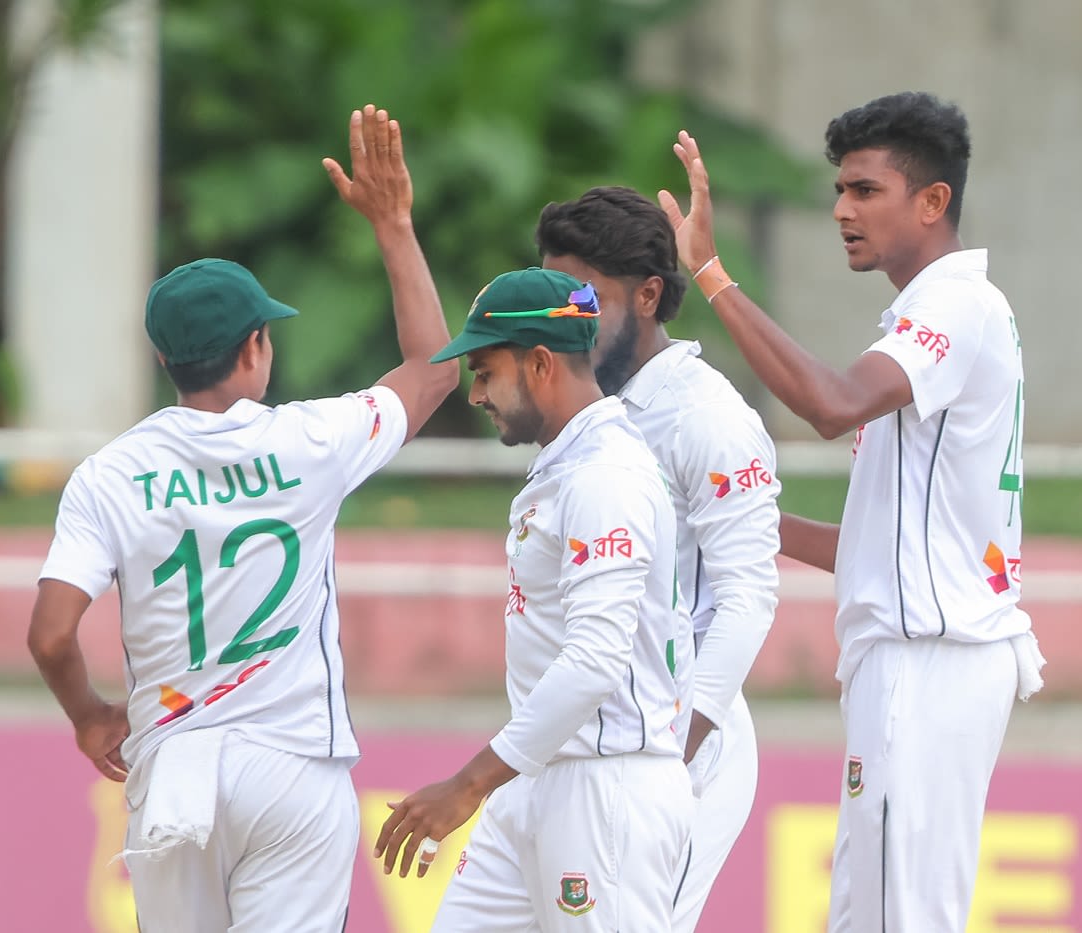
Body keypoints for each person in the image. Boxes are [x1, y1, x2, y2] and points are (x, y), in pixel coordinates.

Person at [25, 105, 457, 933]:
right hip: (295, 767)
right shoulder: (312, 441)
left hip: (175, 768)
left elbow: (49, 635)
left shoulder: (108, 474)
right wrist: (394, 224)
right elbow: (431, 370)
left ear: (165, 360)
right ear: (256, 346)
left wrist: (89, 715)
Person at [658, 91, 1046, 931]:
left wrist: (710, 272)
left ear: (932, 201)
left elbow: (832, 405)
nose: (842, 209)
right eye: (840, 190)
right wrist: (734, 518)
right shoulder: (932, 311)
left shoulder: (953, 303)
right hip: (919, 663)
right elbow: (887, 542)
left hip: (930, 664)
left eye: (866, 190)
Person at [373, 267, 695, 932]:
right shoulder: (570, 466)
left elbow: (594, 660)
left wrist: (467, 783)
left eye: (486, 370)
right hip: (538, 777)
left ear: (541, 363)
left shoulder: (605, 475)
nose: (476, 392)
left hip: (606, 788)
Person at [535, 186, 780, 932]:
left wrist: (670, 750)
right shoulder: (577, 408)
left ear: (647, 294)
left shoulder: (707, 415)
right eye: (556, 298)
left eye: (586, 299)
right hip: (586, 739)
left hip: (680, 743)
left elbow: (747, 598)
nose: (567, 320)